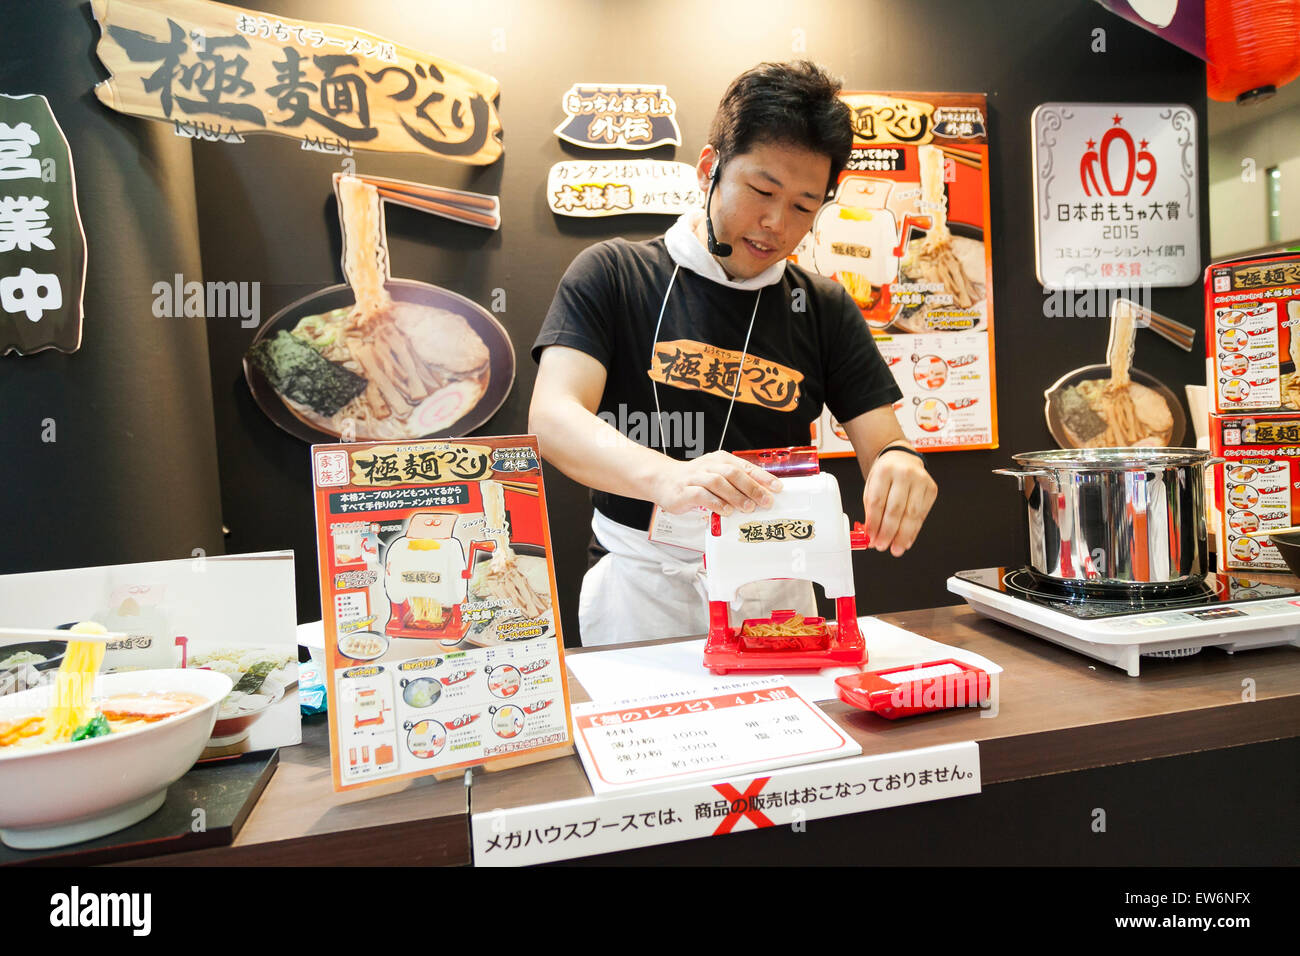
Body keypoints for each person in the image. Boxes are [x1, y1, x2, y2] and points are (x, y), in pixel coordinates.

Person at [529, 60, 937, 646]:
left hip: (775, 590)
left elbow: (884, 442)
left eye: (803, 206)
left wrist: (901, 463)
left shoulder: (823, 306)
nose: (775, 224)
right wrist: (667, 477)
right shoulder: (614, 273)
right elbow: (552, 418)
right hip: (644, 587)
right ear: (708, 169)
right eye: (762, 191)